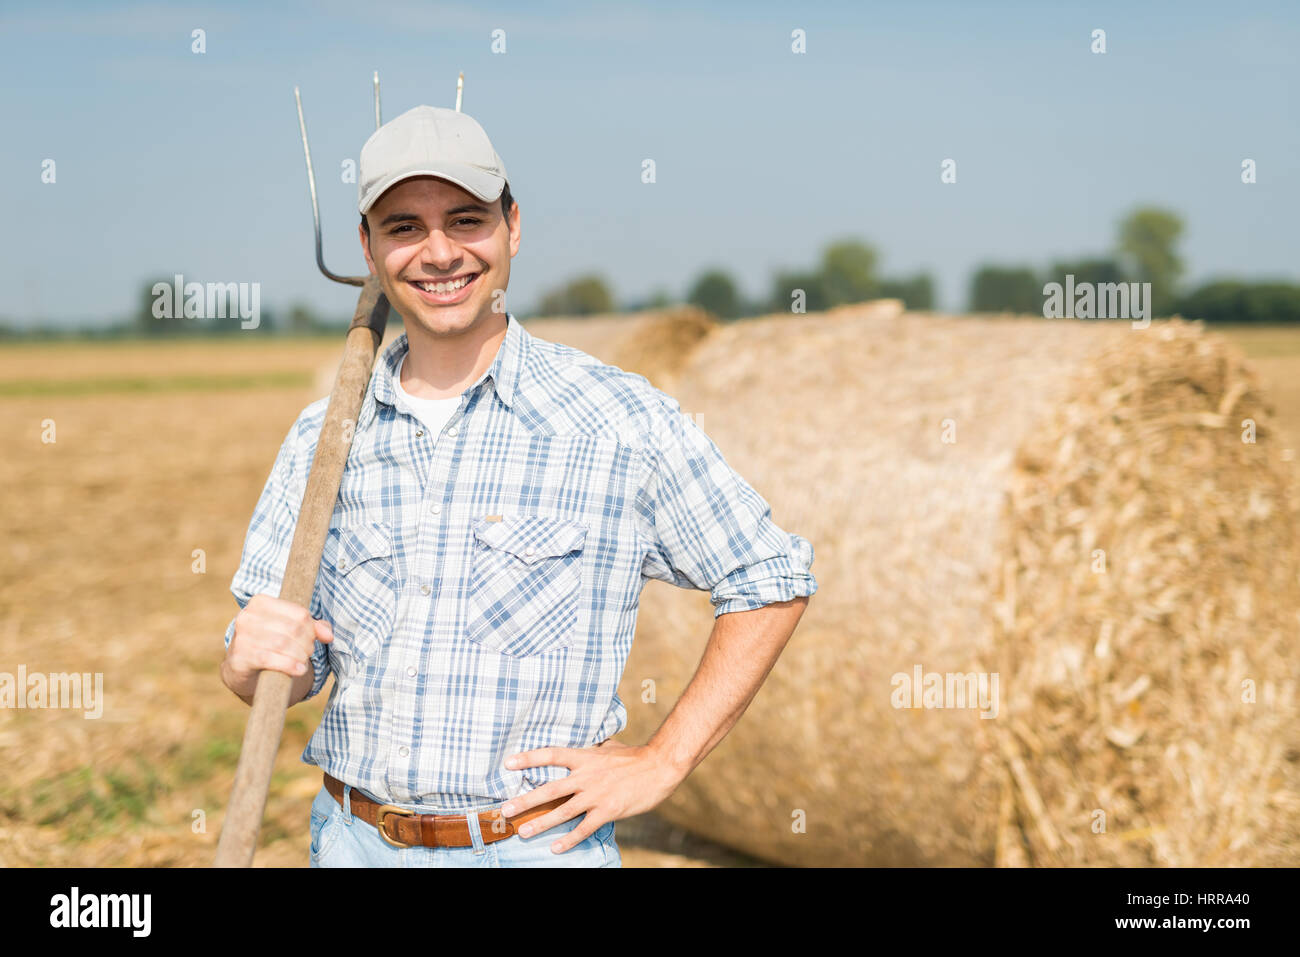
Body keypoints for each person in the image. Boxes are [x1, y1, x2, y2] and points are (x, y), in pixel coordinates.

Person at [219, 104, 817, 867]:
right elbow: (286, 669)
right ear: (368, 249)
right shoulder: (325, 436)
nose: (439, 253)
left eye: (466, 220)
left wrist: (663, 760)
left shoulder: (614, 420)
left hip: (534, 848)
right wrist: (249, 660)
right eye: (404, 227)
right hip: (353, 841)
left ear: (513, 228)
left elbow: (770, 575)